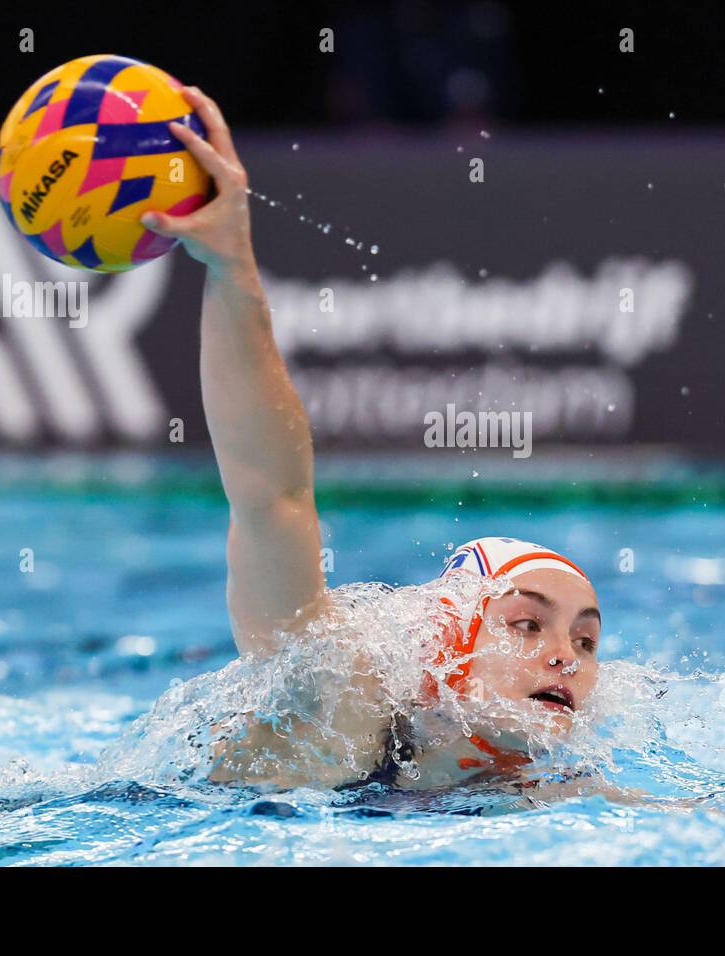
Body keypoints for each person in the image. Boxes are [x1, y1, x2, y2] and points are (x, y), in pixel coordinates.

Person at [139, 88, 603, 792]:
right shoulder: (344, 706)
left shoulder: (539, 789)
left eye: (586, 639)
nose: (566, 657)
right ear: (452, 644)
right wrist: (230, 265)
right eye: (527, 626)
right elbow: (273, 497)